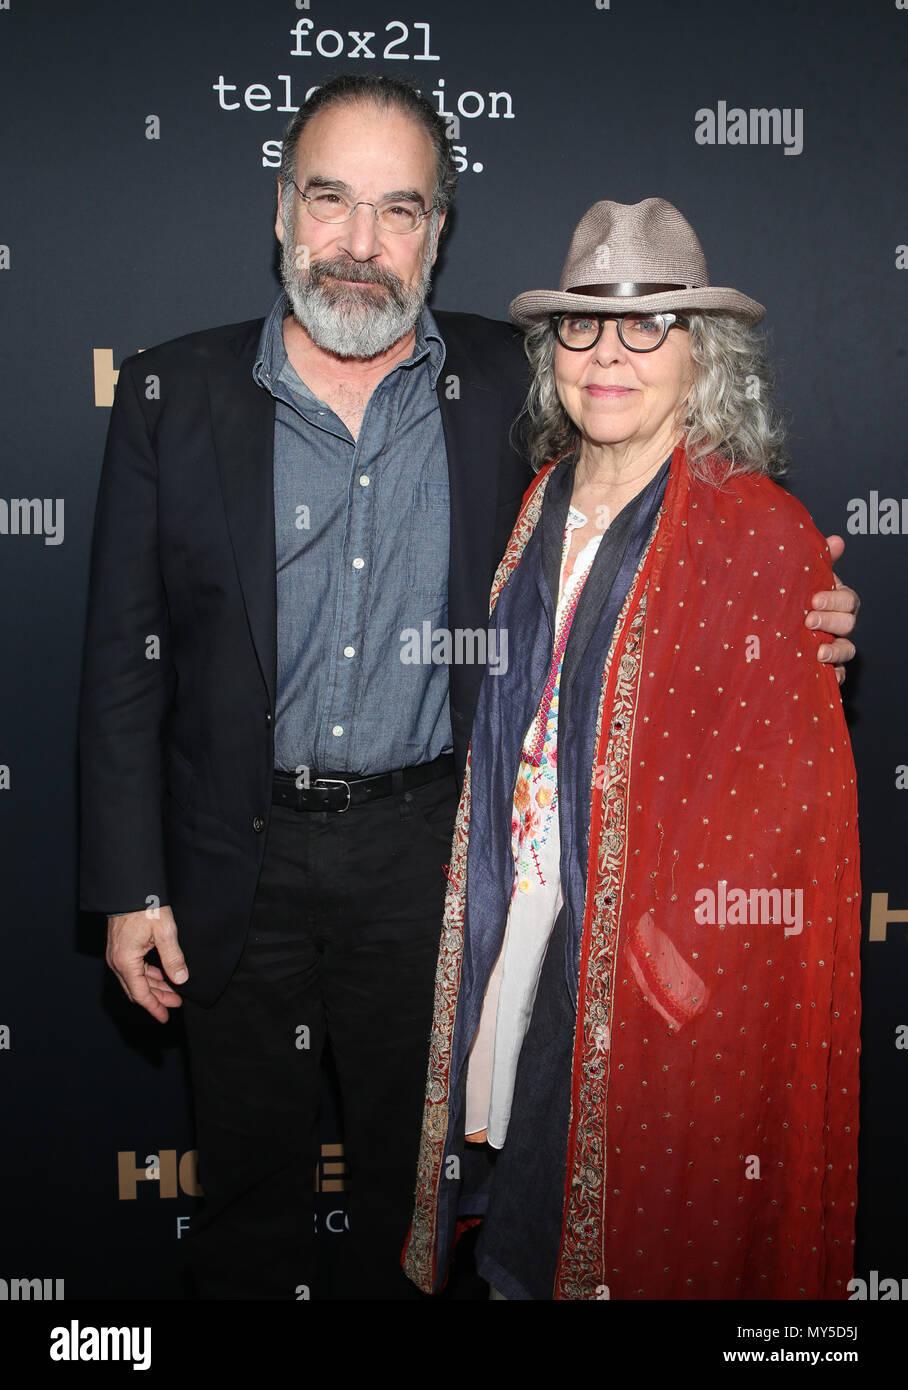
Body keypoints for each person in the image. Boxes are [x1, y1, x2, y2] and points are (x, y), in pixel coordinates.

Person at [78, 72, 856, 1301]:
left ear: (437, 236)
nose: (359, 243)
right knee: (245, 1200)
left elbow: (670, 530)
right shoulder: (175, 397)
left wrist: (798, 610)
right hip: (236, 857)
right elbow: (123, 664)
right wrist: (127, 884)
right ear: (282, 213)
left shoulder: (509, 388)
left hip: (434, 863)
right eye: (330, 201)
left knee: (419, 1205)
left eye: (399, 210)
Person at [403, 197, 861, 1301]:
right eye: (581, 326)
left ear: (702, 356)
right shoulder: (535, 502)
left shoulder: (759, 530)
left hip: (649, 976)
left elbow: (786, 814)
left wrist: (670, 969)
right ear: (548, 348)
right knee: (511, 1235)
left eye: (648, 325)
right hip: (513, 930)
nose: (609, 354)